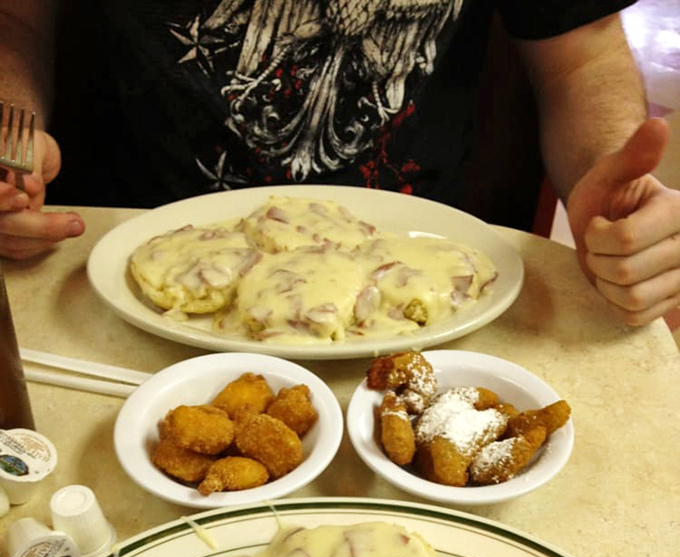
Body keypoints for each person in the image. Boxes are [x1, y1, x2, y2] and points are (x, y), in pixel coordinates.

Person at [1, 0, 679, 326]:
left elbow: (582, 51)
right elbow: (18, 19)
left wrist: (607, 180)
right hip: (119, 286)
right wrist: (10, 132)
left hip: (420, 297)